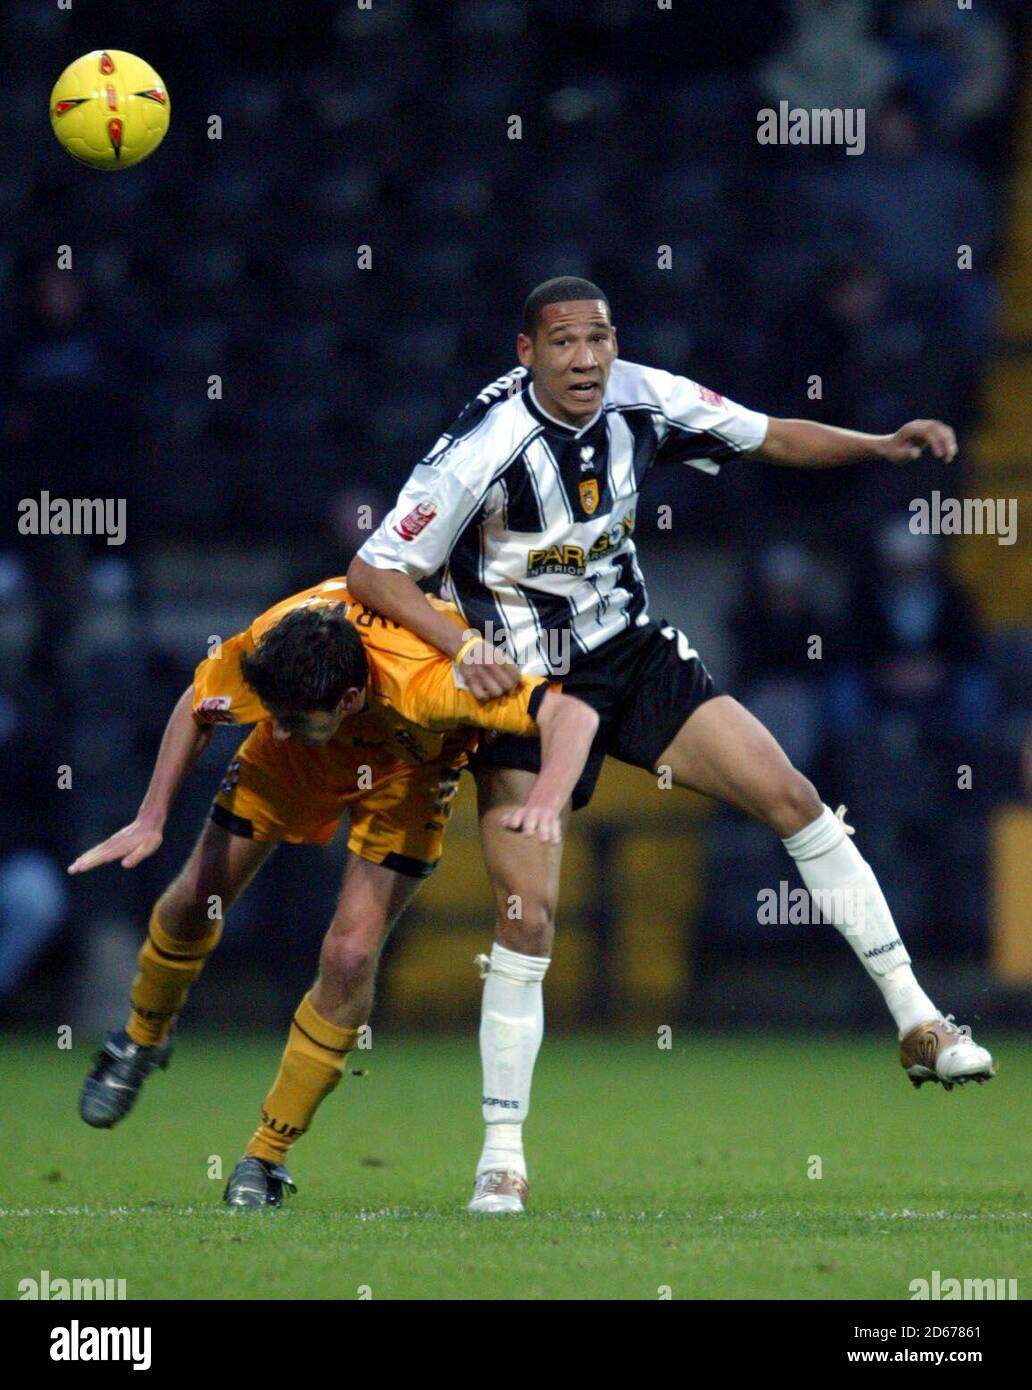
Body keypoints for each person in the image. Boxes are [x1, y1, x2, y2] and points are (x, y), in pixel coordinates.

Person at [347, 276, 996, 1215]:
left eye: (599, 339)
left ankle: (919, 1021)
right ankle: (501, 1158)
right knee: (528, 917)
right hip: (523, 689)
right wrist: (462, 645)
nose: (586, 359)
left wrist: (879, 444)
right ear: (526, 352)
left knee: (793, 797)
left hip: (629, 656)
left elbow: (771, 435)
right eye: (564, 342)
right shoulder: (484, 450)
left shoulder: (644, 395)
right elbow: (374, 570)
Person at [68, 577, 598, 1208]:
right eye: (274, 715)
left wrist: (546, 800)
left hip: (405, 775)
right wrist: (151, 816)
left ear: (350, 698)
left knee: (349, 957)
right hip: (296, 769)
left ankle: (265, 1157)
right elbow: (197, 702)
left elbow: (572, 715)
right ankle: (141, 1037)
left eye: (292, 718)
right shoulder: (272, 649)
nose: (277, 727)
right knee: (193, 898)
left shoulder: (430, 681)